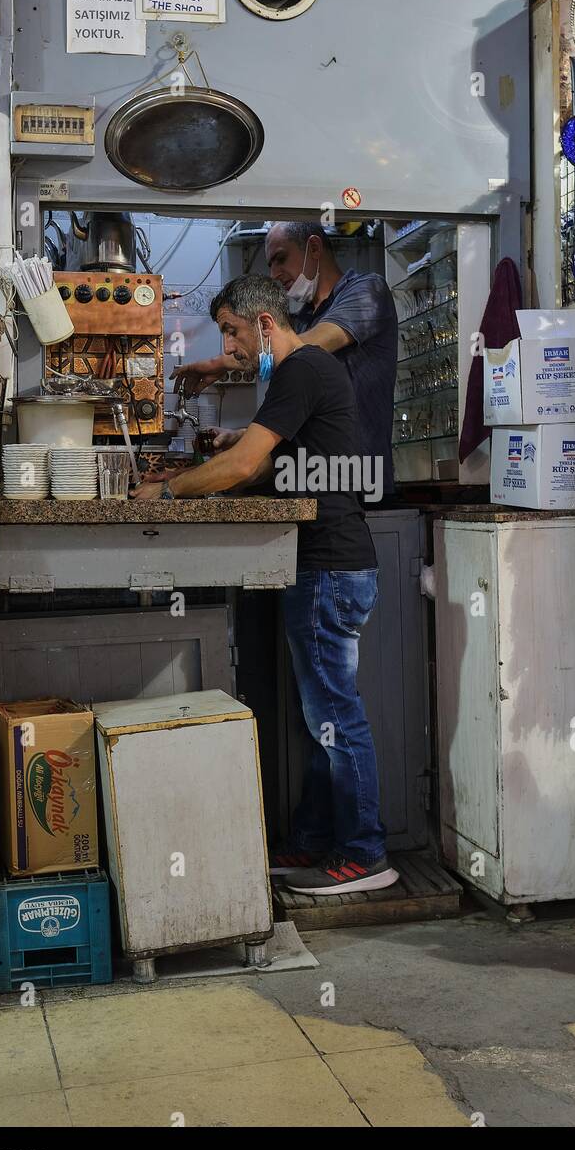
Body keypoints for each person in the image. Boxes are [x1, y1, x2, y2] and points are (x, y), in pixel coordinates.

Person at [136, 274, 398, 896]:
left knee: (335, 714)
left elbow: (249, 464)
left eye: (230, 330)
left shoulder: (300, 369)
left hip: (328, 566)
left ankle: (366, 853)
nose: (227, 344)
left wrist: (168, 490)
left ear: (264, 324)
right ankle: (314, 841)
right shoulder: (297, 372)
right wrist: (224, 457)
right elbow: (279, 462)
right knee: (320, 717)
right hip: (329, 564)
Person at [171, 221, 398, 498]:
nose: (274, 273)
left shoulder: (366, 291)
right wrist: (244, 436)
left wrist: (222, 363)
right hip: (313, 484)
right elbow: (302, 414)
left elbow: (303, 348)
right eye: (270, 264)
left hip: (361, 481)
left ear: (314, 248)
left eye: (281, 259)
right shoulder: (302, 319)